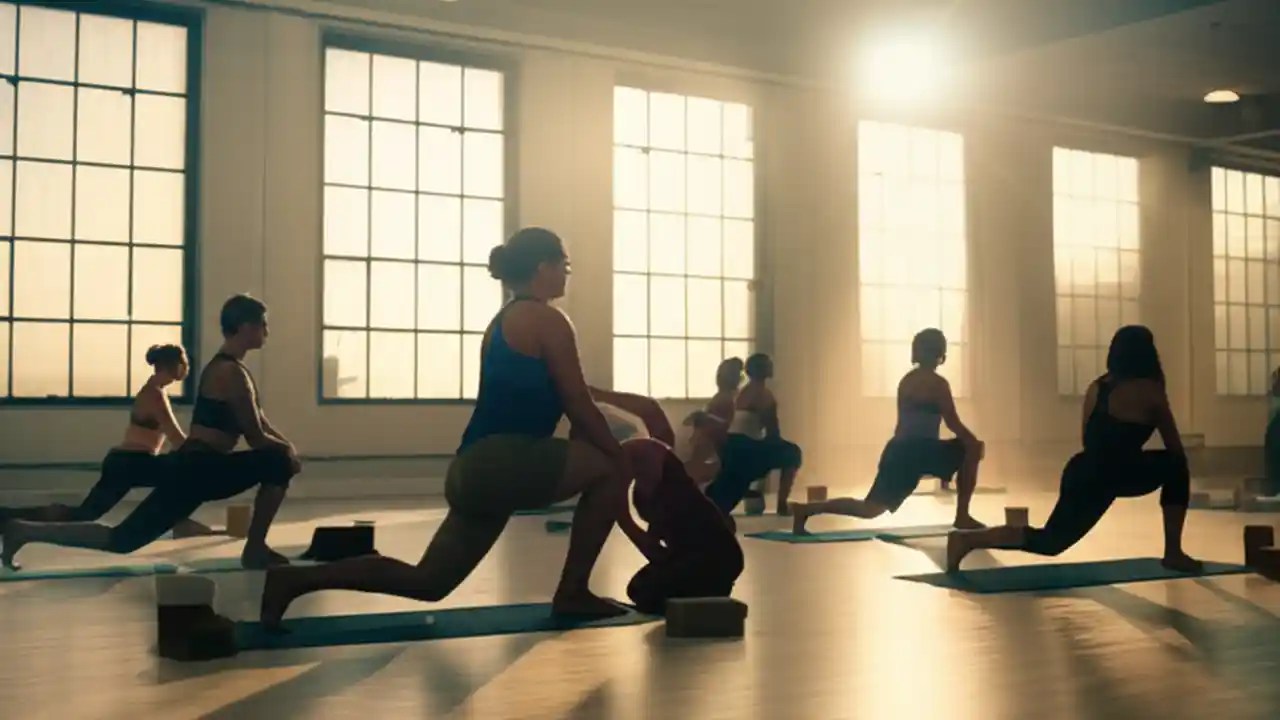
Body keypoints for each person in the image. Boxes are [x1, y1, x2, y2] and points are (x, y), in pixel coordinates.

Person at [257, 227, 649, 630]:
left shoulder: (503, 321)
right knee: (610, 468)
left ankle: (296, 580)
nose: (567, 274)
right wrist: (619, 457)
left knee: (428, 581)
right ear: (542, 267)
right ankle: (573, 591)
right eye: (564, 265)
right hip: (506, 461)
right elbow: (577, 402)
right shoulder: (547, 319)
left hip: (472, 468)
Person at [3, 295, 299, 570]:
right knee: (277, 461)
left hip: (196, 469)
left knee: (122, 540)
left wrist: (286, 447)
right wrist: (288, 454)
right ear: (246, 327)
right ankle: (255, 548)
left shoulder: (231, 370)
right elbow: (256, 437)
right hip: (202, 468)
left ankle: (25, 530)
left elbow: (260, 423)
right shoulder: (229, 373)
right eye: (263, 324)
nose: (267, 331)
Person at [945, 325, 1202, 573]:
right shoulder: (1150, 391)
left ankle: (968, 540)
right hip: (1112, 474)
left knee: (1050, 541)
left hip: (1082, 468)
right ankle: (1173, 552)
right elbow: (1174, 447)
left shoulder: (1098, 386)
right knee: (1176, 466)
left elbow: (1089, 439)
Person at [0, 345, 210, 538]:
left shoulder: (155, 391)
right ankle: (179, 522)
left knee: (84, 514)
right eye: (185, 362)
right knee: (183, 471)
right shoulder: (155, 395)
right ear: (174, 365)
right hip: (132, 463)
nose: (188, 367)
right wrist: (212, 455)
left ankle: (7, 518)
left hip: (127, 462)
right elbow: (177, 440)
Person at [790, 328, 985, 534]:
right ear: (940, 354)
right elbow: (953, 423)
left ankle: (808, 509)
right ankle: (962, 516)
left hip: (901, 451)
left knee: (870, 509)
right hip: (916, 451)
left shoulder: (907, 380)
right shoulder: (937, 384)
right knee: (971, 448)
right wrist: (974, 442)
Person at [622, 437, 743, 614]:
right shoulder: (663, 488)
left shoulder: (670, 493)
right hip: (712, 558)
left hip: (716, 560)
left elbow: (657, 552)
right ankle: (705, 589)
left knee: (643, 591)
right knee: (639, 587)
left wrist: (626, 523)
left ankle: (706, 590)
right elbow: (658, 548)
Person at [705, 353, 803, 515]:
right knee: (793, 453)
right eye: (769, 363)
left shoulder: (743, 392)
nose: (772, 366)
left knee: (726, 491)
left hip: (732, 446)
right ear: (763, 369)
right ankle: (782, 504)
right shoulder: (763, 394)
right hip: (745, 449)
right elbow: (773, 432)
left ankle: (712, 501)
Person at [677, 358, 743, 487]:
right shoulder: (723, 397)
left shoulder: (727, 398)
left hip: (711, 437)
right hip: (706, 436)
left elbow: (724, 423)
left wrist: (703, 418)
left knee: (697, 467)